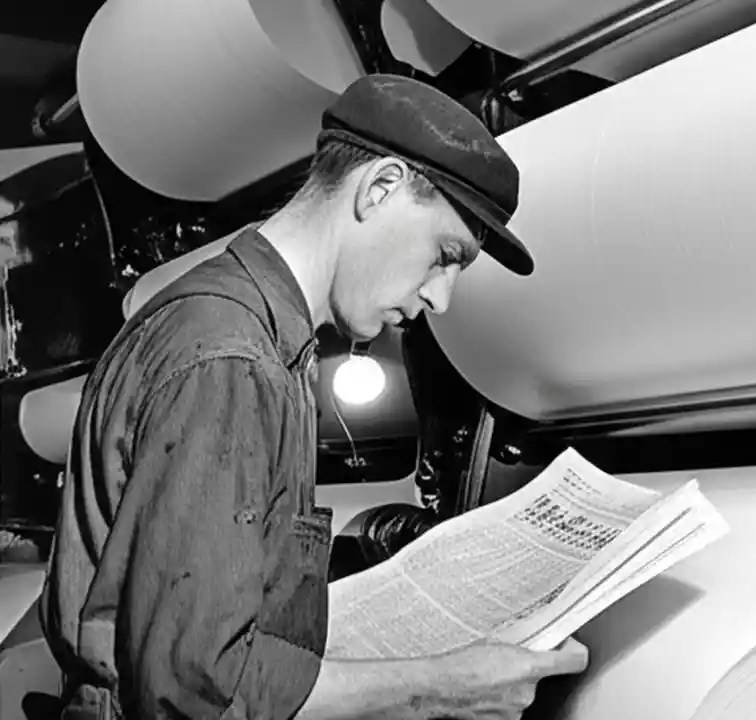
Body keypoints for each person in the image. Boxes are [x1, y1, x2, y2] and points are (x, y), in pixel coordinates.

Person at [41, 74, 589, 719]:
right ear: (379, 188)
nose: (440, 297)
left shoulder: (238, 327)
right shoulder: (232, 359)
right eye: (446, 254)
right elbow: (196, 693)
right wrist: (445, 684)